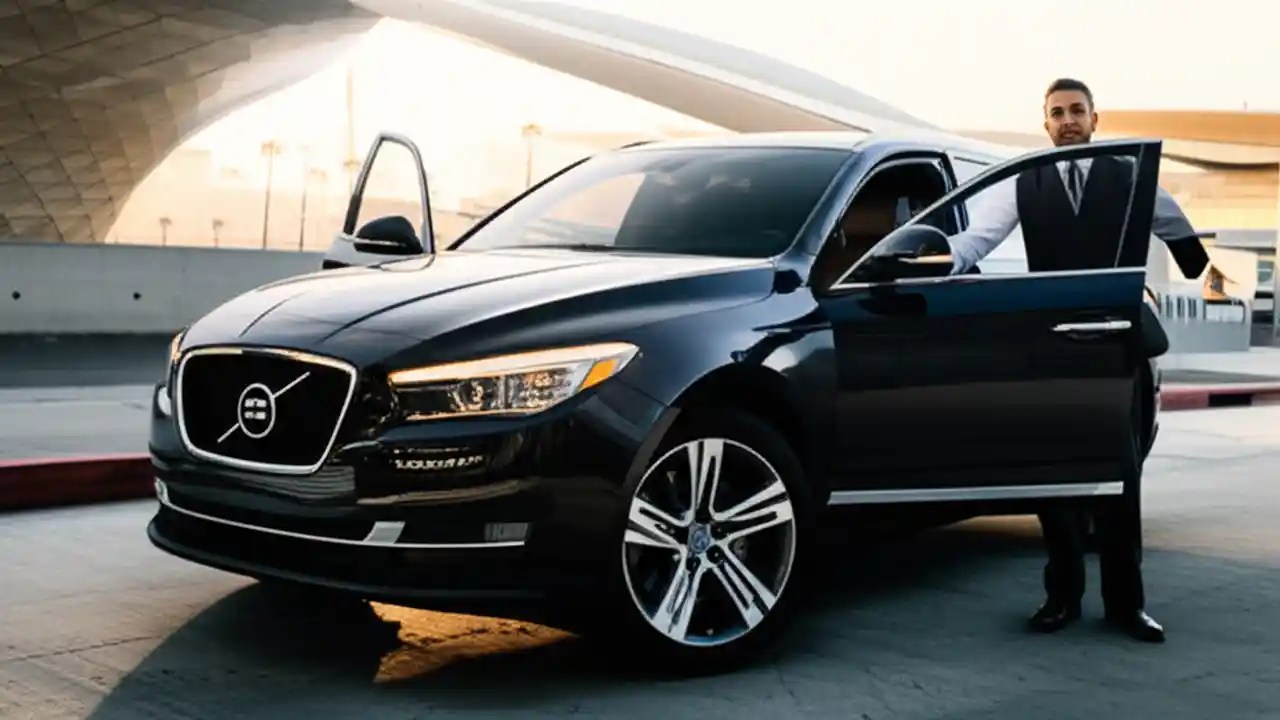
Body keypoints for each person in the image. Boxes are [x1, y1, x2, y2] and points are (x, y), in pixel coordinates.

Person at [945, 78, 1208, 644]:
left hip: (1117, 350)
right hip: (1054, 350)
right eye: (1057, 113)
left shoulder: (1134, 176)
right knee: (1055, 481)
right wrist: (932, 258)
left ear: (1095, 118)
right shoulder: (1023, 180)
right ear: (1045, 123)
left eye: (1077, 111)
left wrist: (1195, 258)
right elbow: (974, 243)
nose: (1068, 120)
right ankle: (1060, 598)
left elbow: (1182, 238)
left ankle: (1127, 607)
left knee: (1121, 483)